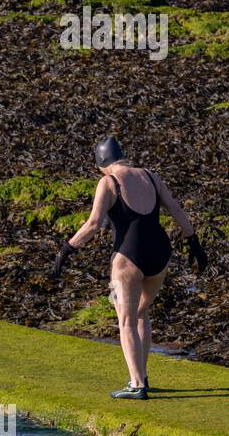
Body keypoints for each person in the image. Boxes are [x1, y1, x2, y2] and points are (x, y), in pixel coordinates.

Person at [51, 135, 208, 399]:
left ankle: (136, 385)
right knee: (141, 313)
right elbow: (176, 210)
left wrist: (65, 251)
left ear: (101, 163)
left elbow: (93, 224)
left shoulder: (108, 181)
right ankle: (142, 376)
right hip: (160, 253)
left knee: (125, 320)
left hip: (128, 257)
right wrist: (194, 242)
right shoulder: (150, 175)